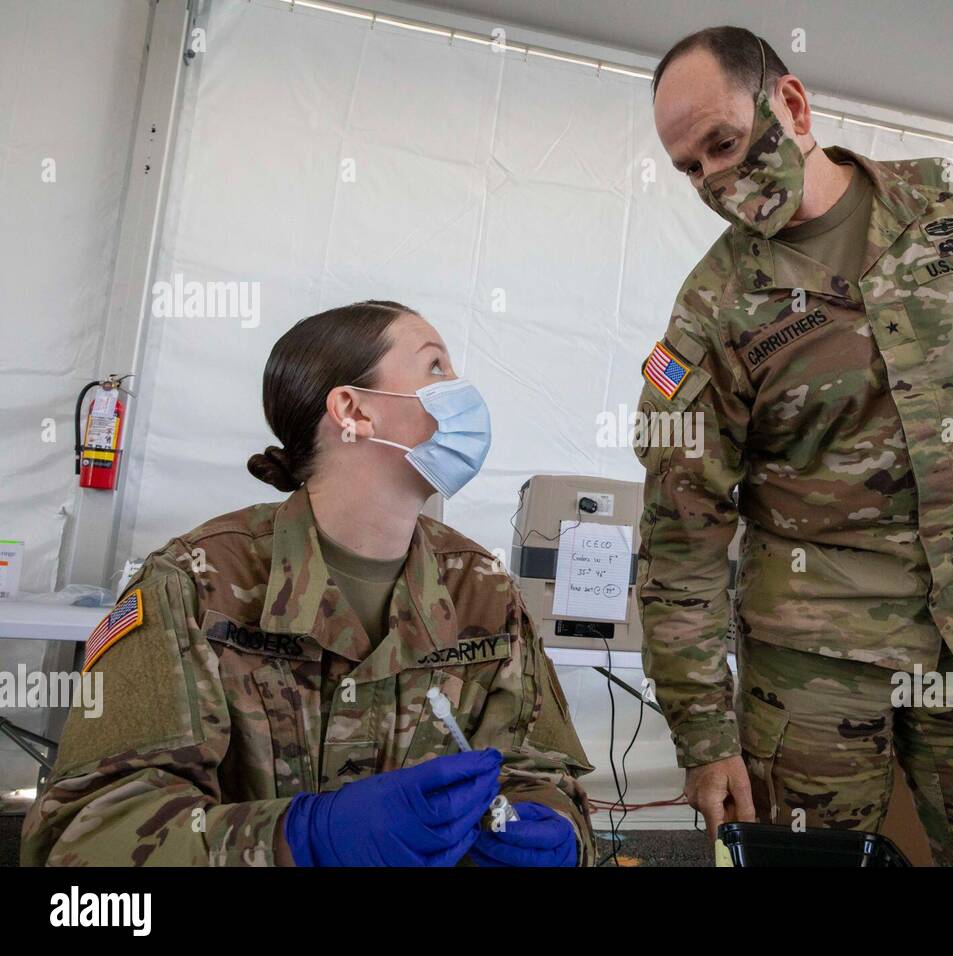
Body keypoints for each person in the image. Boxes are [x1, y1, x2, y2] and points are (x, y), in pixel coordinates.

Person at [634, 27, 953, 865]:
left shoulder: (951, 205)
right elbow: (680, 531)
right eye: (689, 167)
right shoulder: (709, 310)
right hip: (814, 666)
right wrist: (701, 732)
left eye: (723, 143)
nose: (714, 179)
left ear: (790, 104)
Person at [23, 300, 594, 867]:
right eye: (436, 367)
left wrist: (555, 830)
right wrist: (304, 838)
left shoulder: (483, 588)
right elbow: (83, 840)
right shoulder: (194, 586)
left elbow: (538, 773)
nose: (462, 390)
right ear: (352, 410)